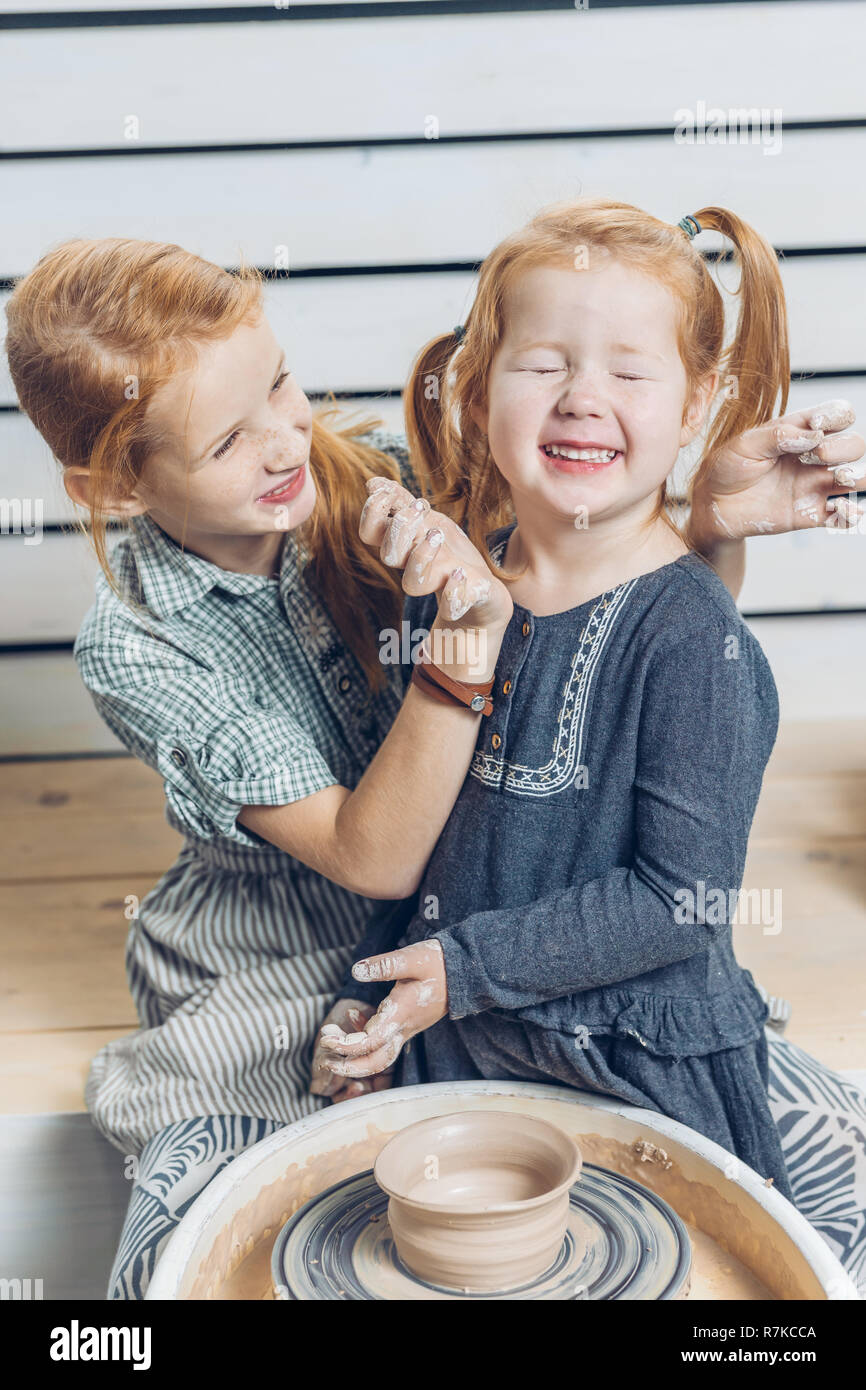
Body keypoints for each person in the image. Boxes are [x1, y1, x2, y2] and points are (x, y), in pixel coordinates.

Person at [317, 201, 866, 1287]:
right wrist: (371, 1000)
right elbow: (430, 846)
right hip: (462, 1041)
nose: (582, 398)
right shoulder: (459, 584)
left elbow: (675, 898)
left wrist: (457, 969)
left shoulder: (688, 635)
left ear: (695, 404)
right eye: (543, 365)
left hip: (631, 1076)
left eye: (629, 371)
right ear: (476, 395)